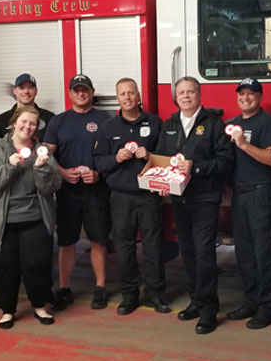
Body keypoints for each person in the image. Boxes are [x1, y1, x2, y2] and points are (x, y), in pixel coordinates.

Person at [0, 106, 63, 329]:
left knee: (37, 264)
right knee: (3, 265)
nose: (27, 127)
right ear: (14, 123)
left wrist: (42, 170)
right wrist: (9, 167)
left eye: (32, 124)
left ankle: (40, 306)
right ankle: (7, 310)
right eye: (24, 122)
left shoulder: (42, 151)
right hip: (0, 221)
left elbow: (53, 185)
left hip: (34, 218)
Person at [155, 76, 234, 334]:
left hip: (204, 200)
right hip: (180, 198)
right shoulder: (169, 125)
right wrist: (157, 179)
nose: (186, 96)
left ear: (199, 96)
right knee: (187, 253)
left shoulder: (213, 124)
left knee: (204, 254)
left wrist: (196, 167)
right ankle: (196, 302)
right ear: (175, 97)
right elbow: (161, 160)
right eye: (181, 92)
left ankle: (209, 309)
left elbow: (225, 161)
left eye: (190, 92)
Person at [94, 78, 171, 315]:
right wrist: (115, 159)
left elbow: (168, 159)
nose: (127, 97)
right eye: (122, 94)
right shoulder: (108, 127)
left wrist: (149, 154)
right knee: (124, 247)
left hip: (149, 196)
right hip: (121, 197)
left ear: (139, 96)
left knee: (153, 246)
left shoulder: (156, 123)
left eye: (131, 93)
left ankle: (155, 294)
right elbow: (98, 160)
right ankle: (129, 295)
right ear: (117, 99)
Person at [43, 74, 112, 311]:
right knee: (67, 242)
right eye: (76, 90)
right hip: (67, 192)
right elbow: (46, 154)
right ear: (70, 93)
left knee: (98, 240)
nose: (81, 94)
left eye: (85, 90)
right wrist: (61, 172)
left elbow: (114, 156)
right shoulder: (58, 122)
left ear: (92, 93)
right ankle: (64, 289)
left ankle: (100, 288)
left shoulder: (105, 120)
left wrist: (99, 174)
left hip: (97, 191)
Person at [225, 77, 271, 329]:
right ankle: (250, 301)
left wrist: (245, 145)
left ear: (260, 97)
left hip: (262, 194)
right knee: (244, 253)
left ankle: (267, 307)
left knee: (263, 252)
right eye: (242, 93)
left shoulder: (269, 123)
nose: (245, 97)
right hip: (240, 195)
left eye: (251, 94)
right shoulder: (231, 125)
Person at [0, 73, 55, 143]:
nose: (26, 91)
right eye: (22, 88)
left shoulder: (50, 118)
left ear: (36, 91)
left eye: (30, 88)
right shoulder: (1, 121)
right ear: (14, 91)